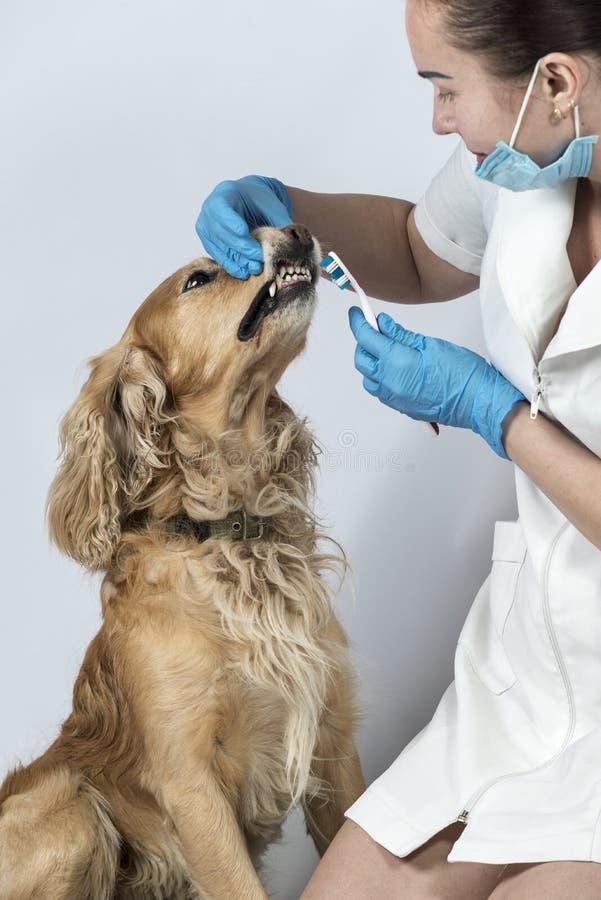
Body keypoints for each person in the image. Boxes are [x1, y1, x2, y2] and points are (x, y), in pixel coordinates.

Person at [195, 0, 601, 896]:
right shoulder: (525, 158)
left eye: (445, 88)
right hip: (527, 670)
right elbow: (421, 253)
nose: (438, 121)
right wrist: (291, 213)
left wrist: (495, 417)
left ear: (557, 83)